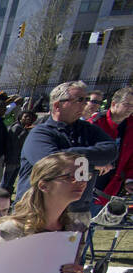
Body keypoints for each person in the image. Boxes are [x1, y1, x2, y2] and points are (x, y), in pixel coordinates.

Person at [17, 81, 117, 229]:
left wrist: (68, 155)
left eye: (86, 99)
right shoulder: (40, 133)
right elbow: (52, 164)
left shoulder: (89, 130)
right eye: (79, 100)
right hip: (38, 210)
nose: (85, 104)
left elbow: (111, 151)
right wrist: (92, 163)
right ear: (58, 105)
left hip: (77, 212)